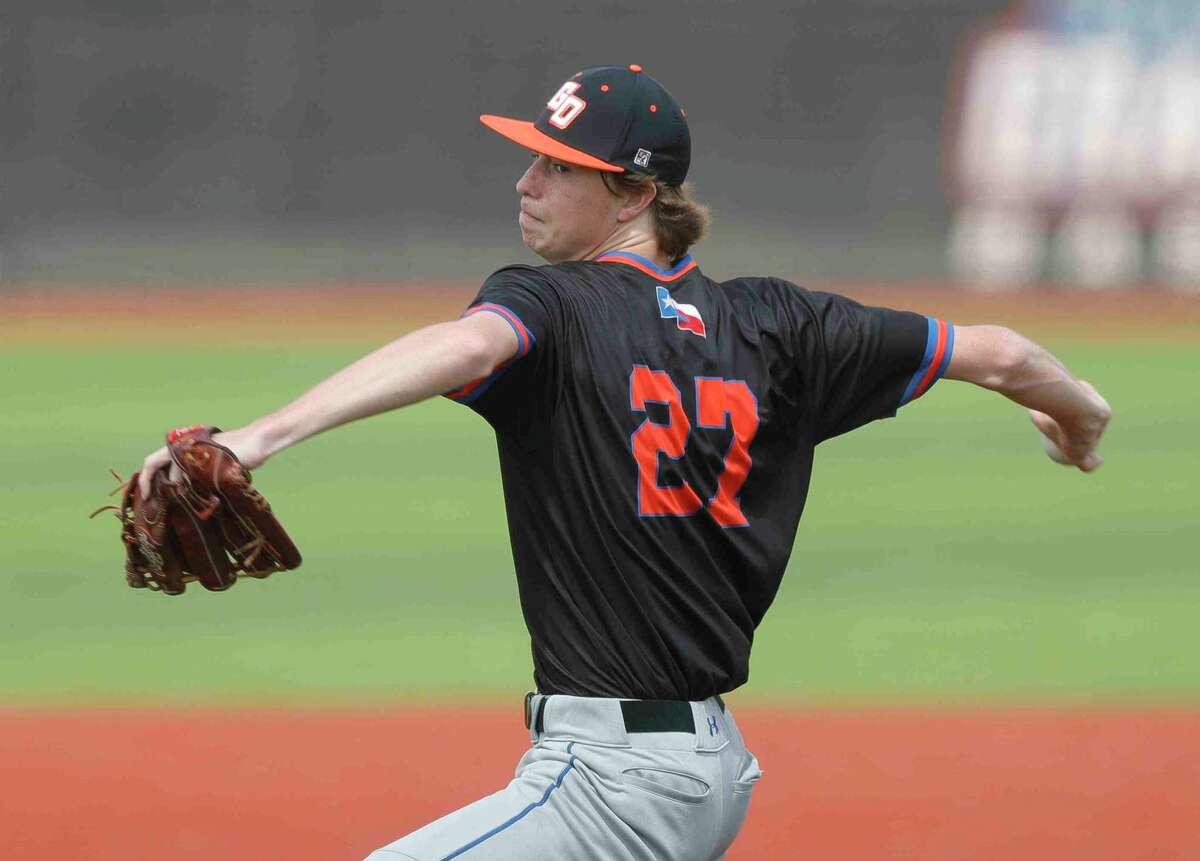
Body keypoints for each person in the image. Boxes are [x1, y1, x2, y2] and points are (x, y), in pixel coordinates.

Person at [138, 65, 1111, 860]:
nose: (526, 183)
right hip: (705, 770)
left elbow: (469, 348)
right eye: (533, 158)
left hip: (612, 782)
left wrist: (257, 437)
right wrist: (1081, 417)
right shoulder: (781, 324)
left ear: (638, 193)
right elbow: (1006, 356)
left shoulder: (551, 305)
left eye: (559, 167)